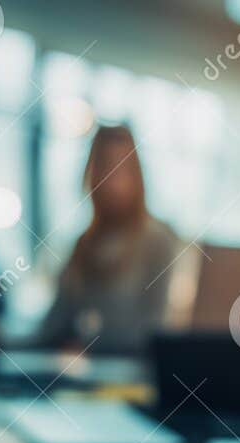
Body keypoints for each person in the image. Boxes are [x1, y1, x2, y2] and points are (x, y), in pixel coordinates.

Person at [39, 125, 181, 355]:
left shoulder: (158, 240)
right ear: (91, 173)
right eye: (105, 167)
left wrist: (85, 344)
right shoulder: (83, 245)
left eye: (122, 168)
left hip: (133, 382)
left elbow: (154, 333)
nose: (113, 181)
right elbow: (50, 330)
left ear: (137, 175)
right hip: (84, 381)